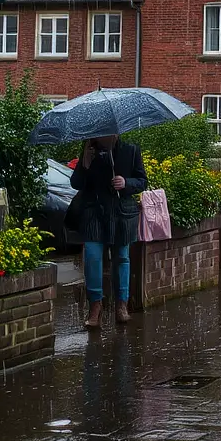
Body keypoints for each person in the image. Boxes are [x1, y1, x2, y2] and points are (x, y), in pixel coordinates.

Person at [71, 134, 148, 329]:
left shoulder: (130, 149)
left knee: (122, 258)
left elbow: (142, 181)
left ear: (116, 132)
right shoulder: (89, 150)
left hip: (122, 214)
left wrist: (126, 183)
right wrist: (85, 164)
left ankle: (122, 305)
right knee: (93, 257)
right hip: (95, 213)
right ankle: (95, 306)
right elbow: (76, 184)